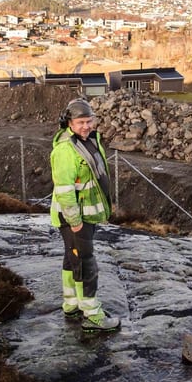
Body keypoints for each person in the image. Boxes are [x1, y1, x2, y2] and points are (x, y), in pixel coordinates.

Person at [50, 98, 120, 333]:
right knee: (86, 262)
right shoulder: (65, 150)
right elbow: (64, 191)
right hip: (74, 218)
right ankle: (92, 314)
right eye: (80, 122)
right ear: (69, 123)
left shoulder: (89, 140)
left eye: (89, 121)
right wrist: (76, 222)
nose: (86, 126)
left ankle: (71, 304)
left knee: (72, 258)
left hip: (84, 216)